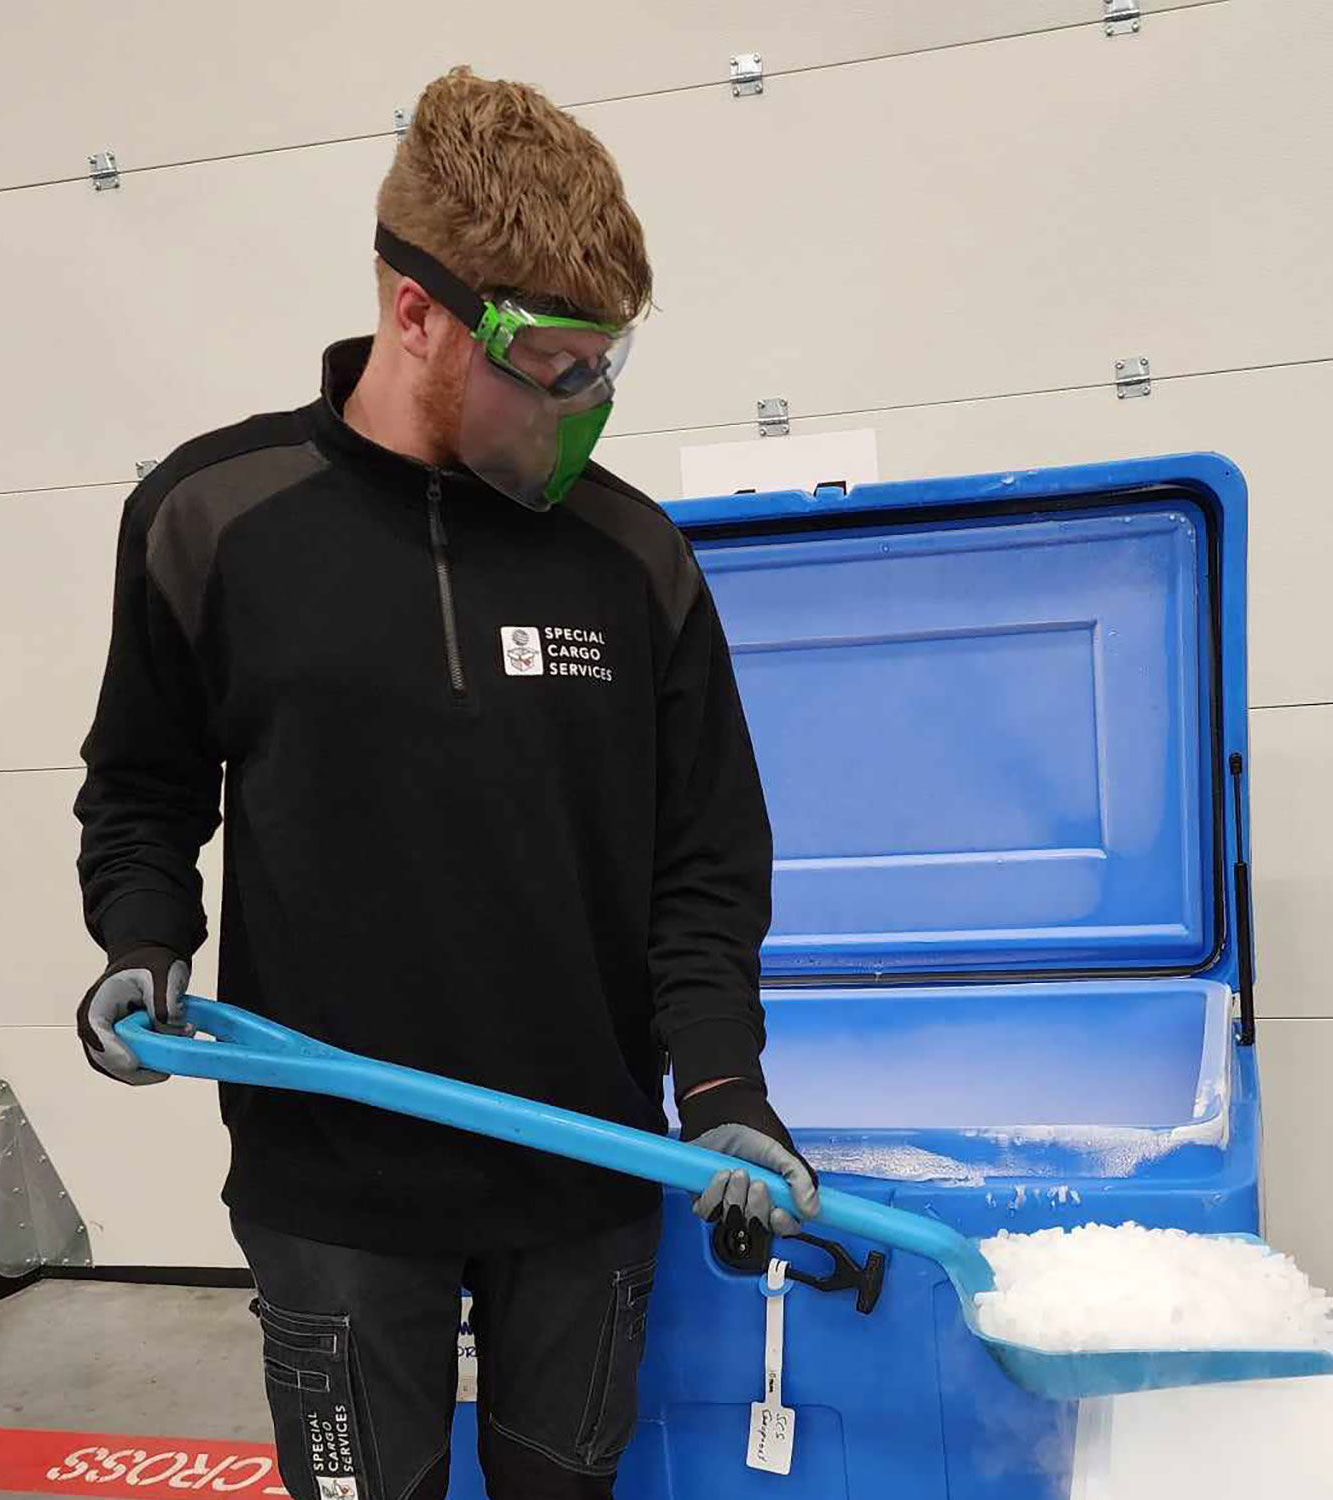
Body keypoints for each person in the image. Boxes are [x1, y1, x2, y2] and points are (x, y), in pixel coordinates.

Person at [69, 66, 816, 1500]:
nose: (587, 403)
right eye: (557, 367)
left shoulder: (633, 560)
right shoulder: (213, 520)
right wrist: (143, 937)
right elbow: (145, 786)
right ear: (417, 313)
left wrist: (723, 1083)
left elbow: (706, 857)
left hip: (583, 1167)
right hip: (329, 1176)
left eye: (608, 364)